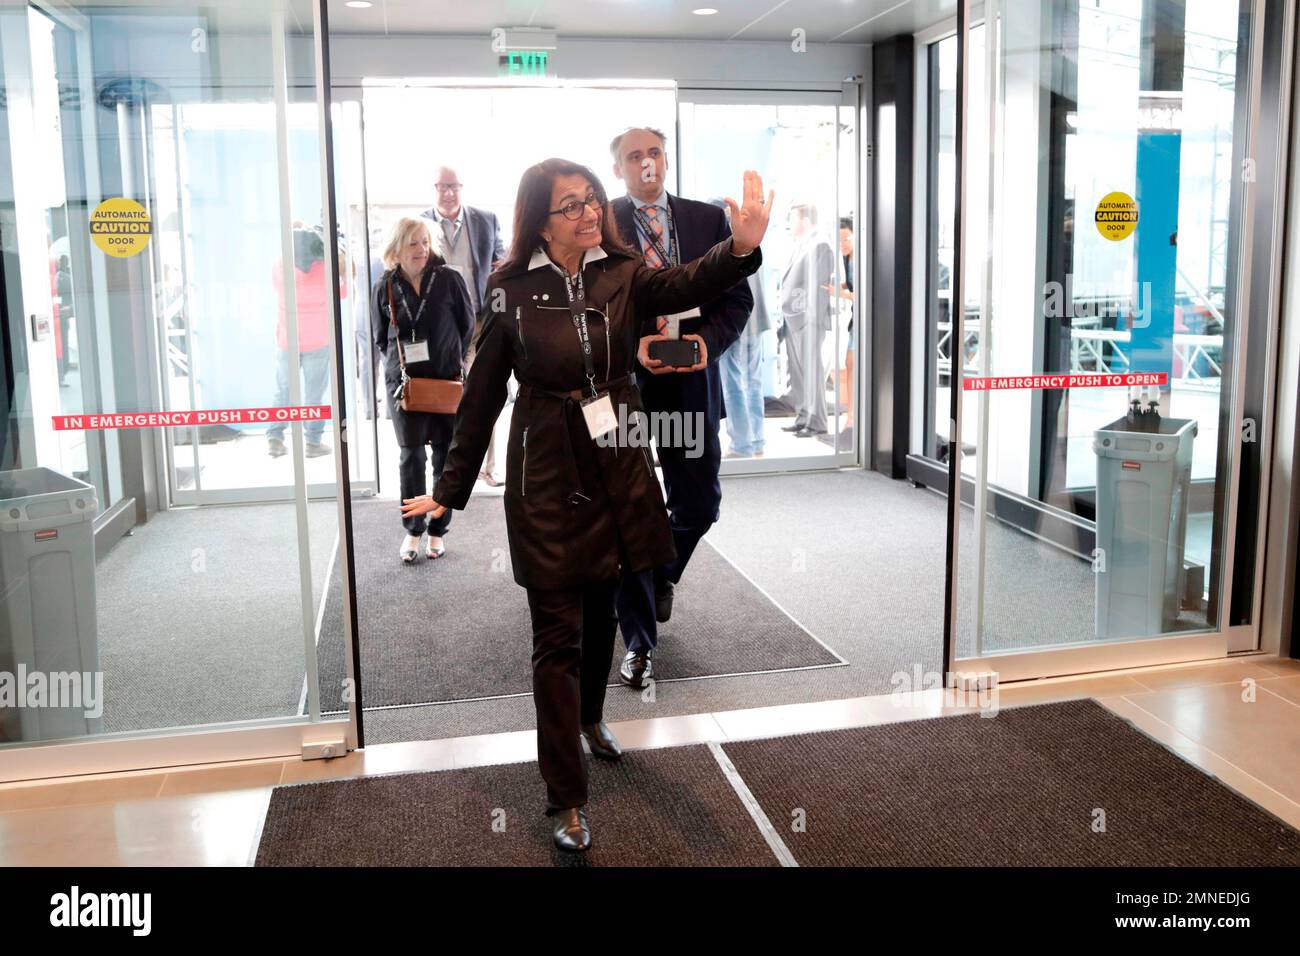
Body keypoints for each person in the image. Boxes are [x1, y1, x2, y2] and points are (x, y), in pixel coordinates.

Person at [402, 159, 771, 852]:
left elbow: (691, 280)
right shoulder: (509, 290)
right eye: (571, 206)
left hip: (620, 455)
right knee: (556, 638)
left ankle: (594, 716)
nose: (589, 213)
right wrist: (447, 493)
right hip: (545, 466)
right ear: (540, 221)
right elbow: (481, 397)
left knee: (605, 608)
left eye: (591, 201)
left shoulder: (622, 272)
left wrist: (741, 246)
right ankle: (566, 799)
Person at [608, 128, 755, 689]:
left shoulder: (707, 221)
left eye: (654, 153)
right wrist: (634, 343)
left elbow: (736, 299)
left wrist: (704, 345)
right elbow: (596, 308)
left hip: (692, 381)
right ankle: (640, 645)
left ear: (665, 159)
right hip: (628, 384)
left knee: (698, 503)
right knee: (632, 511)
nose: (646, 163)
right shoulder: (605, 224)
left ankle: (659, 573)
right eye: (633, 157)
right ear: (619, 168)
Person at [374, 217, 474, 563]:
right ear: (397, 247)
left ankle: (437, 528)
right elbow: (380, 337)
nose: (420, 250)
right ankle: (414, 530)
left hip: (446, 383)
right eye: (413, 243)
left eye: (424, 242)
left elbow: (467, 324)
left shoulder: (448, 279)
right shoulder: (386, 284)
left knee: (445, 456)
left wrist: (451, 358)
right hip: (404, 388)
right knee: (411, 457)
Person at [422, 165, 508, 486]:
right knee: (446, 396)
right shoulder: (420, 223)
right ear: (434, 189)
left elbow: (502, 264)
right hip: (442, 329)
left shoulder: (485, 220)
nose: (448, 192)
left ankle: (489, 465)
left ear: (462, 188)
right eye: (442, 186)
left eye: (454, 186)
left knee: (486, 392)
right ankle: (450, 468)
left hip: (481, 322)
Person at [269, 228, 346, 458]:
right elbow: (342, 292)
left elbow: (274, 286)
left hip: (287, 341)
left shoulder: (281, 266)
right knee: (314, 394)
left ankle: (275, 437)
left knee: (283, 391)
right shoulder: (324, 271)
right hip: (317, 342)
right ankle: (312, 442)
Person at [778, 203, 835, 437]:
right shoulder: (801, 245)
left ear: (804, 220)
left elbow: (818, 288)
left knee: (812, 373)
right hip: (793, 319)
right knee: (799, 373)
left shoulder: (820, 244)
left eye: (792, 219)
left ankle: (817, 422)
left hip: (807, 320)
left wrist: (812, 322)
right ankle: (803, 416)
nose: (789, 224)